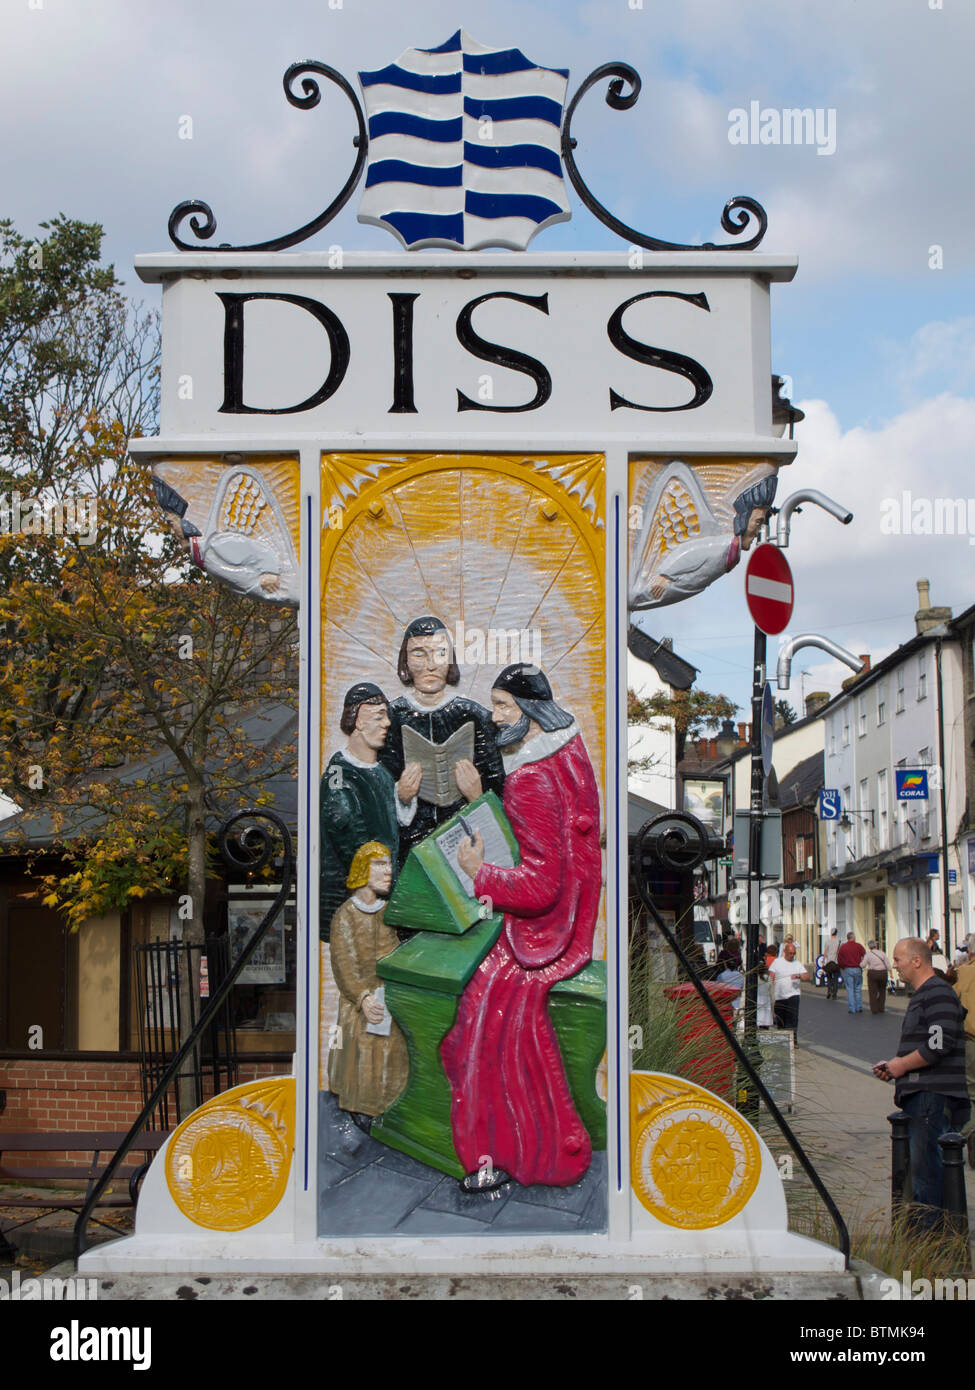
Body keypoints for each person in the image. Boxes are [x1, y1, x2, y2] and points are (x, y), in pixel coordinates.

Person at [445, 663, 601, 1191]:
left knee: (481, 1023)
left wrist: (478, 872)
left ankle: (504, 1153)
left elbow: (539, 887)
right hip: (578, 914)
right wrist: (478, 803)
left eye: (503, 706)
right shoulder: (568, 753)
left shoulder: (529, 777)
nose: (495, 717)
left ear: (530, 711)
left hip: (547, 932)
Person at [378, 616, 504, 865]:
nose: (430, 665)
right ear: (405, 661)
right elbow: (377, 787)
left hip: (466, 842)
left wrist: (477, 795)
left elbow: (500, 787)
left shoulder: (474, 716)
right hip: (412, 847)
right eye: (419, 654)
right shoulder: (391, 718)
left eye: (440, 653)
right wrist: (400, 796)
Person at [873, 938, 970, 1229]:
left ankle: (930, 1238)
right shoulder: (926, 994)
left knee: (927, 1172)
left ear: (917, 961)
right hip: (924, 1092)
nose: (895, 966)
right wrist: (895, 1066)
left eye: (898, 959)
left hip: (931, 1095)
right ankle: (934, 1234)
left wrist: (901, 1065)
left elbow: (939, 1044)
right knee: (926, 1170)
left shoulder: (936, 992)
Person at [319, 683, 417, 937]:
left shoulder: (381, 773)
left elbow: (391, 825)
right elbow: (350, 839)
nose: (387, 723)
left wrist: (403, 798)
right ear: (358, 721)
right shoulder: (339, 773)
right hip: (355, 905)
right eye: (379, 716)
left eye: (386, 715)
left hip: (382, 896)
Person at [327, 842, 409, 1128]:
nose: (388, 871)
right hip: (358, 1005)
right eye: (380, 864)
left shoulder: (389, 914)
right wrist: (362, 998)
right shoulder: (345, 916)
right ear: (363, 869)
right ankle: (361, 1118)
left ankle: (388, 1113)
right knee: (360, 1058)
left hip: (388, 1000)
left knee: (392, 1057)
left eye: (389, 864)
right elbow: (344, 964)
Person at [951, 940, 975, 1168]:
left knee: (971, 1094)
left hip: (971, 1042)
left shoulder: (964, 973)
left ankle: (954, 1140)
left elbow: (951, 1002)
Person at [768, 941, 809, 1042]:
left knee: (792, 1018)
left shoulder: (797, 964)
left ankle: (793, 1040)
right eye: (790, 953)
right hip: (779, 995)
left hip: (793, 994)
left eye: (794, 953)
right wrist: (770, 988)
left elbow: (807, 976)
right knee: (781, 1019)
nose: (792, 955)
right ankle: (782, 1041)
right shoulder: (777, 962)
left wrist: (799, 976)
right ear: (784, 952)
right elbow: (771, 976)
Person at [837, 932, 866, 1014]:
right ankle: (859, 1007)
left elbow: (839, 959)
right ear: (853, 938)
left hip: (848, 969)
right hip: (857, 968)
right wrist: (862, 964)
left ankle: (852, 1008)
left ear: (847, 938)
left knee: (850, 989)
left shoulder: (843, 947)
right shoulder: (859, 946)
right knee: (858, 988)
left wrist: (843, 967)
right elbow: (865, 955)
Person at [862, 939, 893, 1015]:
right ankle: (881, 1007)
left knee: (873, 992)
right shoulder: (882, 953)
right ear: (876, 946)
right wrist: (891, 973)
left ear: (869, 947)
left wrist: (859, 964)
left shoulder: (868, 955)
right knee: (882, 991)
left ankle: (874, 1009)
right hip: (882, 973)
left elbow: (863, 965)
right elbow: (888, 964)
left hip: (872, 973)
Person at [823, 927, 841, 999]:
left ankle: (829, 990)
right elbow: (839, 952)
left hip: (829, 962)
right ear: (836, 933)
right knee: (836, 978)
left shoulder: (827, 941)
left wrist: (823, 961)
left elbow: (825, 952)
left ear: (831, 933)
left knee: (829, 978)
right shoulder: (838, 941)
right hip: (836, 962)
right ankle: (834, 994)